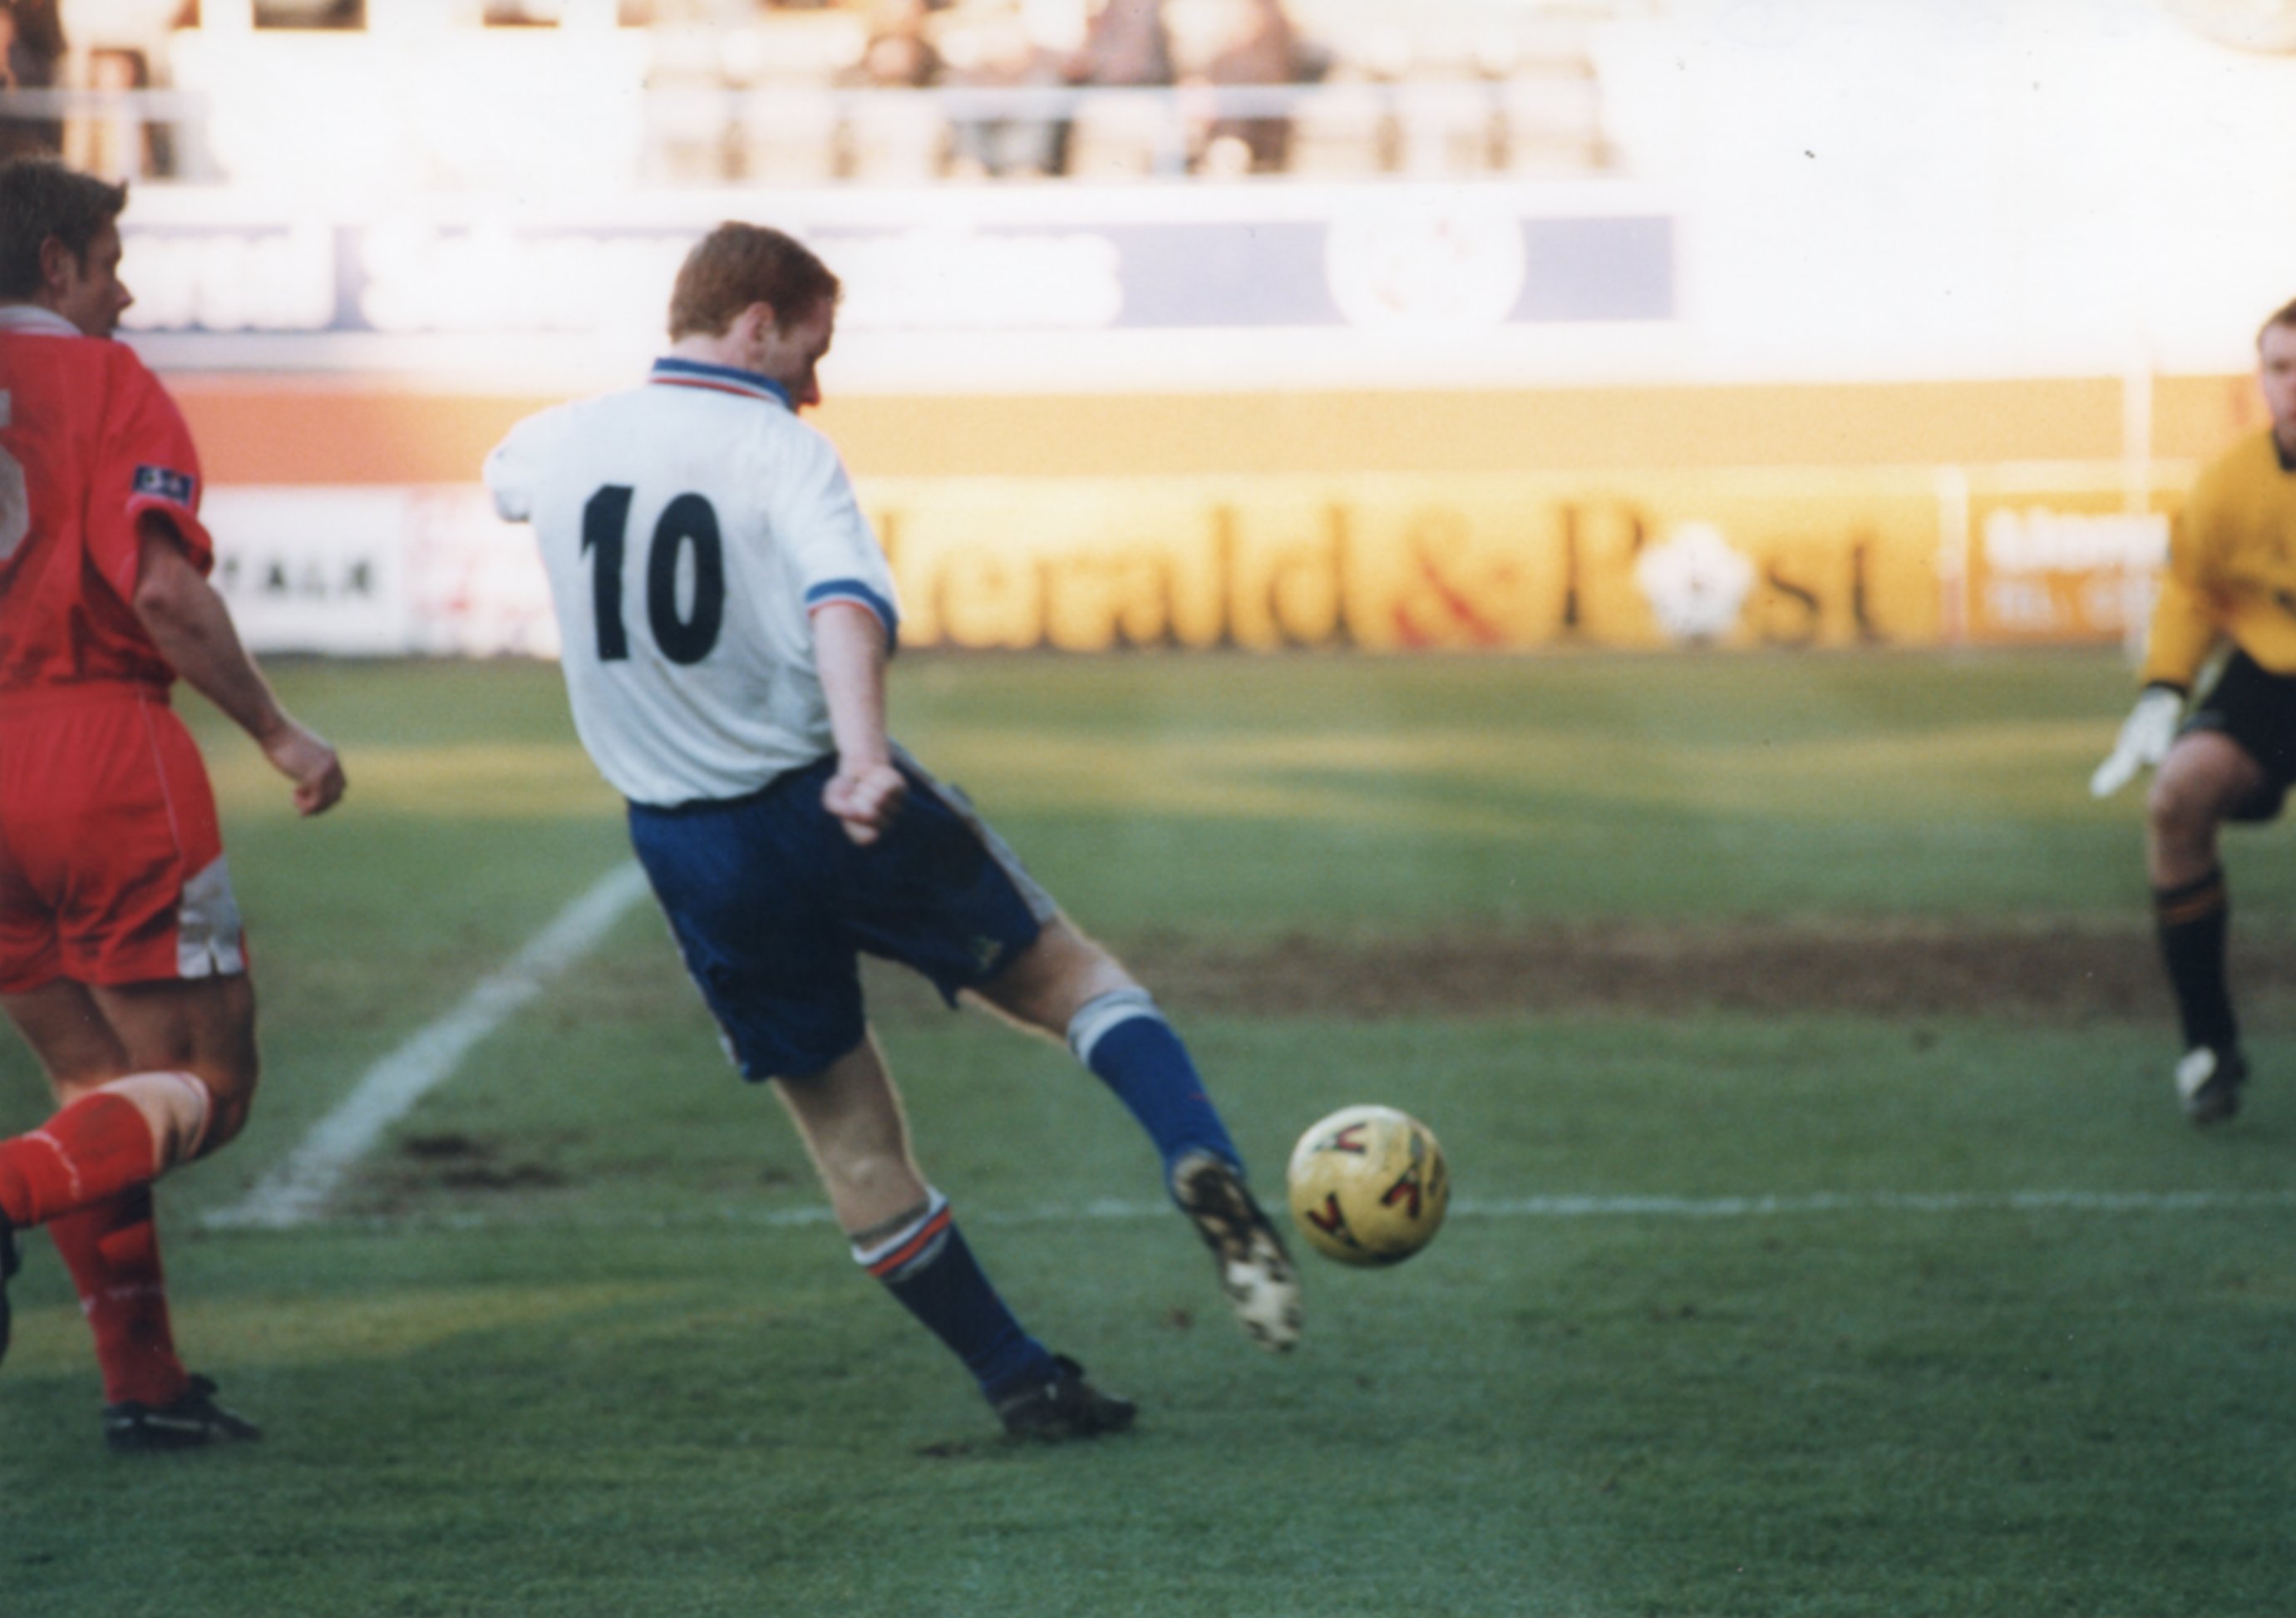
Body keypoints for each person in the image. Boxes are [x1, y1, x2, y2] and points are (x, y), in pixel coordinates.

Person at [484, 221, 1299, 1441]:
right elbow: (844, 601)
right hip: (827, 796)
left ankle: (1018, 1378)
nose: (816, 381)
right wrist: (865, 758)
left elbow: (506, 481)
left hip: (694, 850)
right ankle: (1194, 1149)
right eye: (812, 345)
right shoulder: (783, 453)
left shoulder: (552, 442)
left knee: (855, 1145)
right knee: (1073, 978)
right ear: (755, 322)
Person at [0, 157, 346, 1448]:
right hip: (92, 748)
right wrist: (279, 730)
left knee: (95, 1084)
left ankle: (142, 1385)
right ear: (54, 266)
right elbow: (159, 591)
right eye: (109, 262)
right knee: (206, 1081)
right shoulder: (108, 383)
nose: (126, 294)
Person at [2092, 294, 2296, 1125]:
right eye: (2279, 368)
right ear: (2260, 380)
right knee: (2175, 795)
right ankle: (2207, 1047)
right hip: (2266, 675)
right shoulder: (2226, 482)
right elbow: (2190, 592)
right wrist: (2161, 690)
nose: (2292, 386)